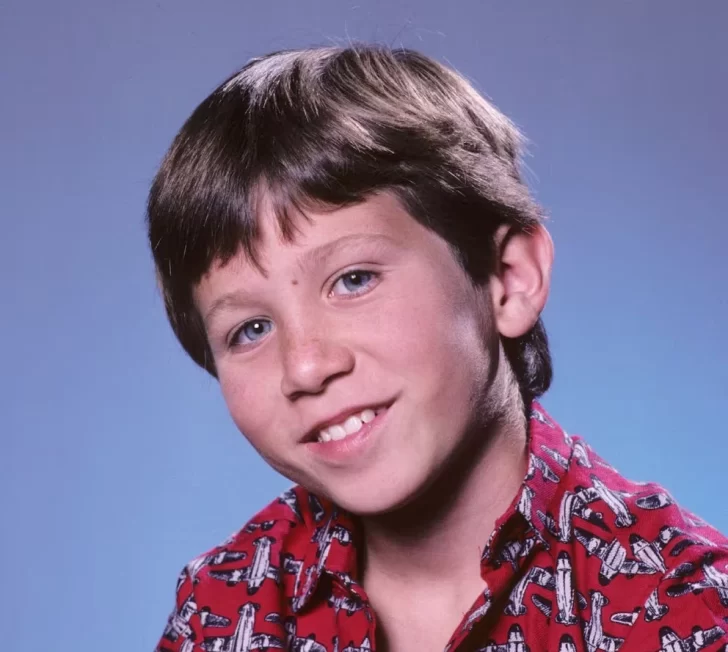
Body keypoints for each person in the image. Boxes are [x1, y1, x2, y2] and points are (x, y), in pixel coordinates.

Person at [148, 45, 728, 652]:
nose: (306, 366)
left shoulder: (684, 605)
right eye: (251, 329)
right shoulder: (221, 607)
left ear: (508, 279)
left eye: (354, 280)